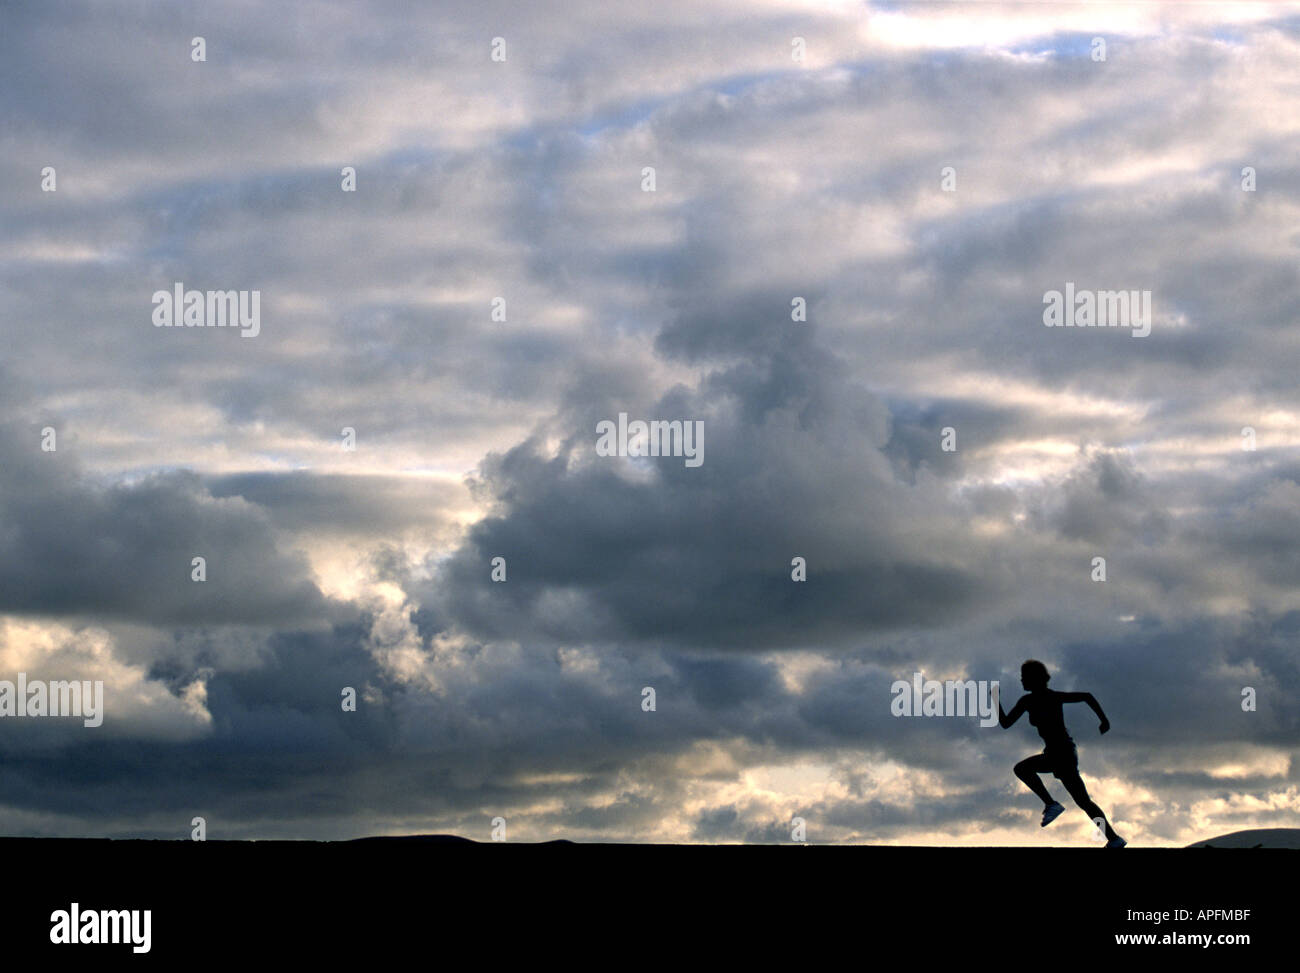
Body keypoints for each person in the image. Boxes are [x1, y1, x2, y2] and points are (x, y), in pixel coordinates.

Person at [997, 659, 1126, 848]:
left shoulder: (1047, 698)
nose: (1021, 681)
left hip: (1061, 752)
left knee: (1022, 769)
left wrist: (1104, 719)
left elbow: (1087, 696)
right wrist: (994, 700)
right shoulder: (1029, 701)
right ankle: (1114, 838)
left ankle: (1051, 804)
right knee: (1083, 801)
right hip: (1061, 752)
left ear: (1034, 679)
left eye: (1024, 678)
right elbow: (1006, 723)